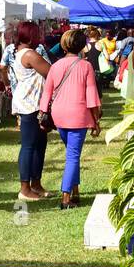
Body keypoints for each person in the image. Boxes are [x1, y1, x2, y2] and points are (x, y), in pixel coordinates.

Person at [41, 29, 101, 210]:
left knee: (71, 153)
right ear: (83, 45)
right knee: (73, 156)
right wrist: (96, 120)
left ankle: (75, 191)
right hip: (78, 114)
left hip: (58, 115)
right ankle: (66, 197)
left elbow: (47, 92)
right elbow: (91, 95)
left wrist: (43, 114)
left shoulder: (55, 66)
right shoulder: (86, 66)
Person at [11, 20, 51, 201]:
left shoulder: (22, 52)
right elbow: (50, 72)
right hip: (29, 104)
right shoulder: (30, 55)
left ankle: (36, 183)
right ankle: (25, 188)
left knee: (39, 144)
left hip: (34, 102)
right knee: (29, 145)